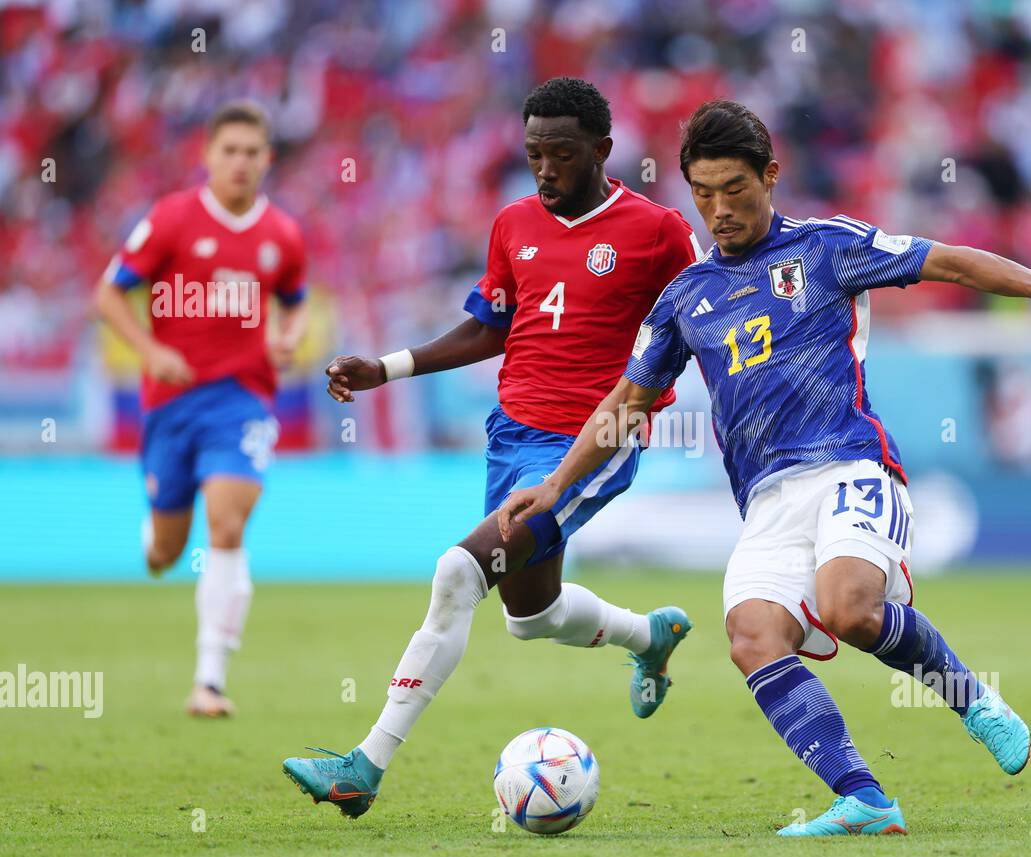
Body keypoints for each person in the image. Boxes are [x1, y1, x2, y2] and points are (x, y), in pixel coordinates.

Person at [500, 100, 1031, 837]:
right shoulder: (685, 299)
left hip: (851, 468)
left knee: (849, 608)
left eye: (735, 190)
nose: (719, 210)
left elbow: (943, 259)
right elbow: (628, 401)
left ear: (771, 176)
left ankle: (973, 698)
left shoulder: (826, 247)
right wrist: (557, 487)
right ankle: (866, 801)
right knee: (752, 637)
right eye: (703, 194)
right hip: (766, 504)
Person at [282, 78, 701, 818]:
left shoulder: (659, 231)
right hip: (513, 435)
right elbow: (492, 327)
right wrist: (387, 368)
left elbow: (706, 321)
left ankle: (364, 766)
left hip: (592, 438)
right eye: (535, 152)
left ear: (603, 152)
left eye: (562, 155)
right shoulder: (513, 224)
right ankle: (650, 636)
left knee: (456, 573)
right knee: (528, 615)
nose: (545, 169)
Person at [95, 100, 308, 717]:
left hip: (241, 398)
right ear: (208, 156)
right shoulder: (170, 220)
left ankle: (208, 680)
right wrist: (149, 349)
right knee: (165, 552)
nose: (240, 163)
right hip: (170, 404)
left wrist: (288, 335)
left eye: (252, 153)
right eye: (229, 151)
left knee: (227, 525)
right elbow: (108, 294)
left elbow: (294, 297)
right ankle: (159, 531)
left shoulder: (282, 235)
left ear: (267, 159)